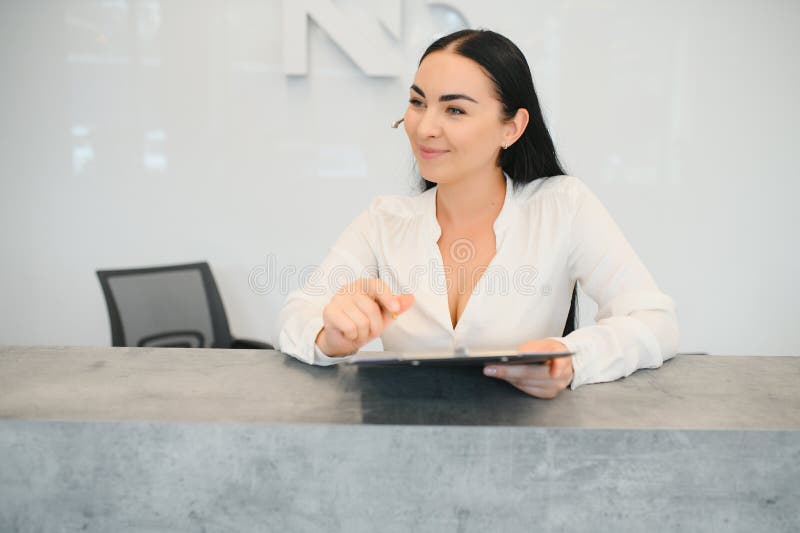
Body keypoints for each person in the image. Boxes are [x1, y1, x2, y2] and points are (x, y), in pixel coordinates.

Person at [274, 29, 679, 399]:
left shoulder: (562, 206)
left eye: (455, 110)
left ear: (512, 128)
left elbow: (656, 322)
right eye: (418, 102)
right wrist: (332, 337)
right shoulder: (384, 221)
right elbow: (297, 315)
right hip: (403, 446)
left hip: (530, 451)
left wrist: (572, 358)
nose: (425, 127)